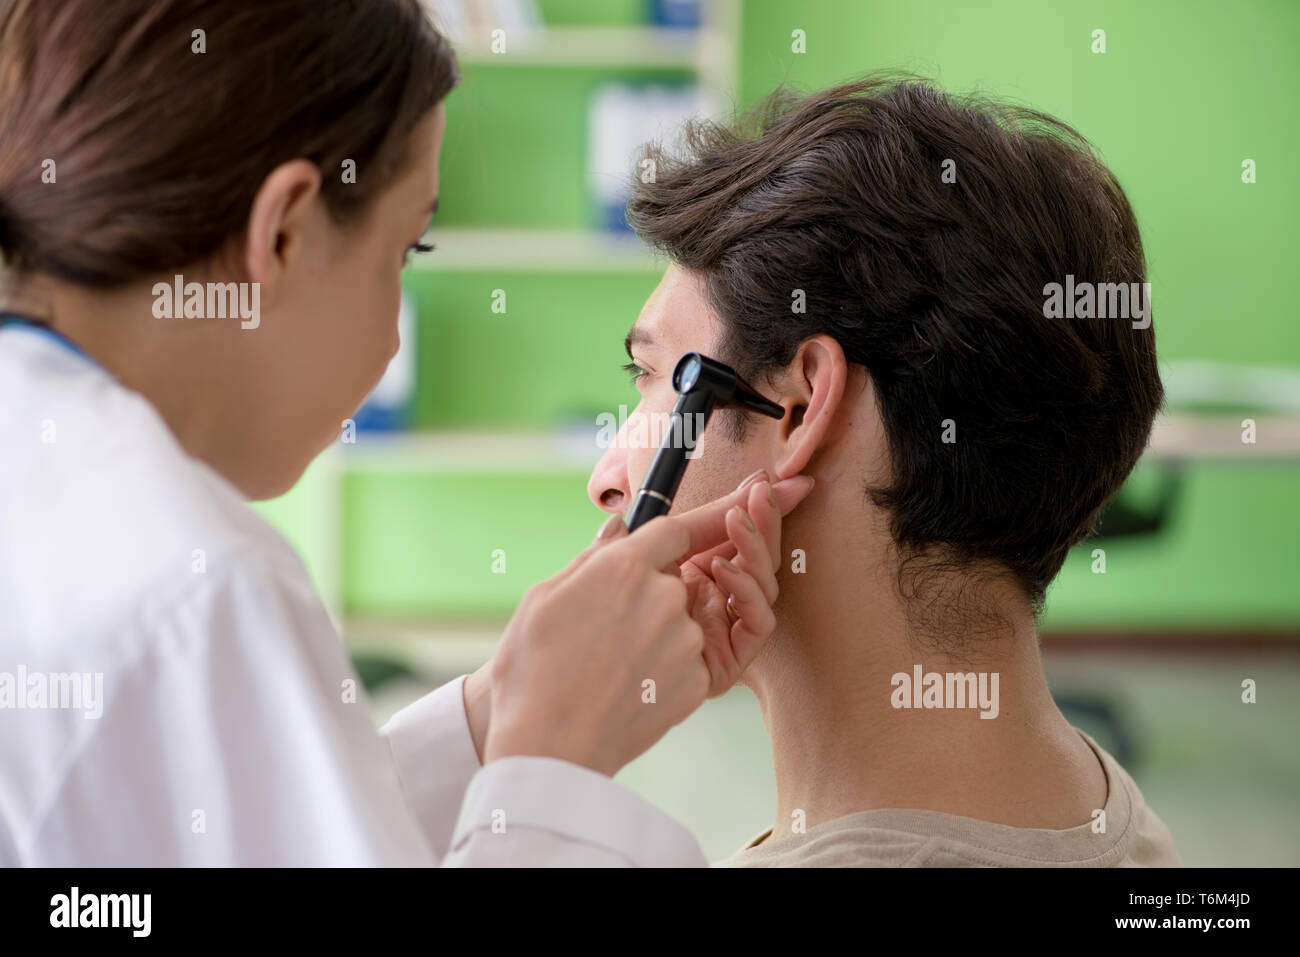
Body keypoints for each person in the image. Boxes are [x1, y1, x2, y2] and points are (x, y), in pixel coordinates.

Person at [0, 0, 813, 866]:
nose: (395, 339)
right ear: (282, 232)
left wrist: (501, 706)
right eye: (407, 250)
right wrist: (552, 762)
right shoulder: (201, 589)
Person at [586, 75, 1182, 866]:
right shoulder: (1114, 823)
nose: (605, 478)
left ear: (800, 407)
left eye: (656, 376)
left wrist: (541, 770)